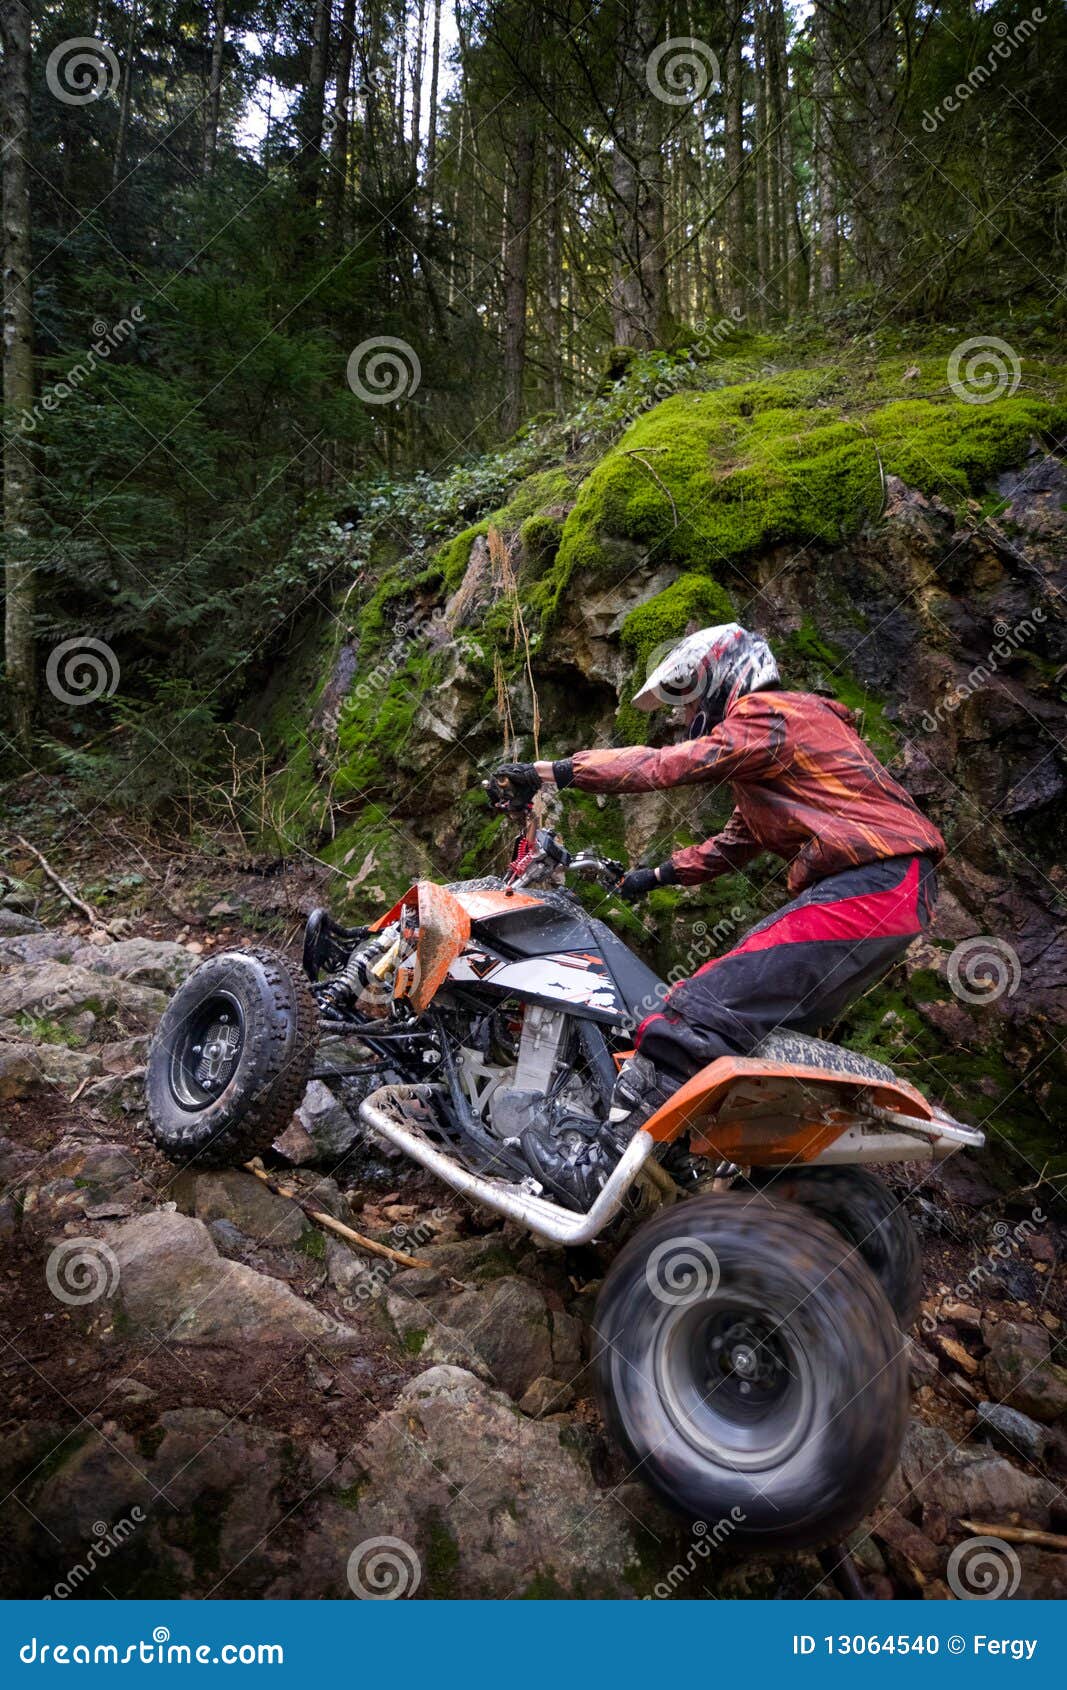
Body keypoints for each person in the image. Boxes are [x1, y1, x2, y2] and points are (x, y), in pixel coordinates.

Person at [493, 623, 946, 1208]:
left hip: (875, 882)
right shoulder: (782, 750)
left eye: (688, 703)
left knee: (694, 1013)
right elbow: (733, 844)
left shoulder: (772, 713)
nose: (687, 719)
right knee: (752, 1039)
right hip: (892, 891)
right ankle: (698, 1171)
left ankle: (595, 1166)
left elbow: (668, 766)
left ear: (721, 675)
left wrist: (550, 771)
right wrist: (651, 878)